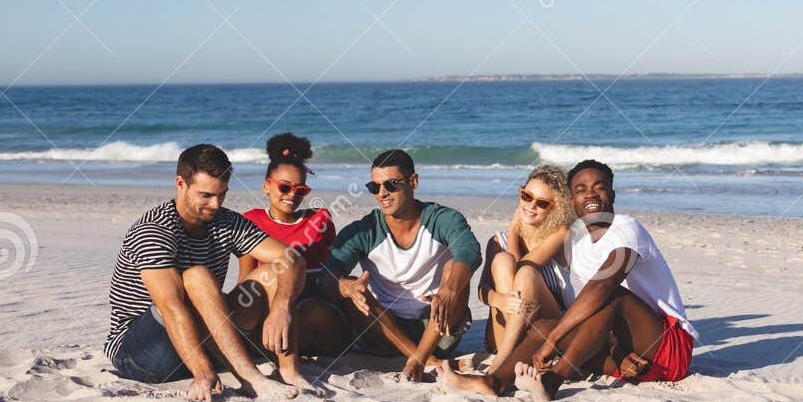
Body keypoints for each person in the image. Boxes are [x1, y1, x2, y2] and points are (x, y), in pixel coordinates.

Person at [438, 159, 695, 401]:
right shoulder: (580, 244)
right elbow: (595, 315)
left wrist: (555, 340)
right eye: (581, 190)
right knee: (545, 326)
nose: (591, 194)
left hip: (667, 349)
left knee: (607, 296)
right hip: (627, 361)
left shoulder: (627, 227)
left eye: (599, 188)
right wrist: (611, 349)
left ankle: (552, 381)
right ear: (572, 201)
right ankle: (493, 382)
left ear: (612, 196)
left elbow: (604, 287)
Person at [106, 143, 308, 402]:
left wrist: (282, 307)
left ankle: (288, 371)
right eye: (205, 195)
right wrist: (203, 373)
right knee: (196, 276)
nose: (215, 204)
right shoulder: (154, 231)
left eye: (222, 194)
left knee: (273, 272)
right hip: (141, 351)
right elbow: (171, 309)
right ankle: (251, 378)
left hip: (199, 340)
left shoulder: (226, 221)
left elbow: (292, 259)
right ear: (181, 183)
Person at [325, 148, 482, 381]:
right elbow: (327, 275)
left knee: (455, 270)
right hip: (383, 334)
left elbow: (470, 251)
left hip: (438, 329)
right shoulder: (364, 230)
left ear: (414, 181)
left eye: (391, 184)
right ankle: (423, 360)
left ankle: (422, 357)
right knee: (352, 292)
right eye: (374, 187)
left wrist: (449, 290)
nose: (382, 193)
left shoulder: (441, 218)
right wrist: (347, 286)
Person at [235, 132, 349, 383]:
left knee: (307, 308)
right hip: (271, 318)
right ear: (266, 186)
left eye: (301, 190)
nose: (292, 195)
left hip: (316, 316)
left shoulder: (320, 219)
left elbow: (332, 273)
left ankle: (289, 366)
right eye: (284, 187)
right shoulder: (251, 221)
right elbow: (246, 280)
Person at [478, 164, 575, 374]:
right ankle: (508, 352)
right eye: (526, 196)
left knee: (525, 272)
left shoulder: (560, 234)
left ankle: (500, 364)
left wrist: (513, 227)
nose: (531, 205)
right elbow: (482, 290)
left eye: (541, 203)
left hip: (547, 328)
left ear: (555, 208)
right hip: (502, 335)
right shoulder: (497, 240)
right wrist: (499, 300)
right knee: (502, 259)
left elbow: (522, 269)